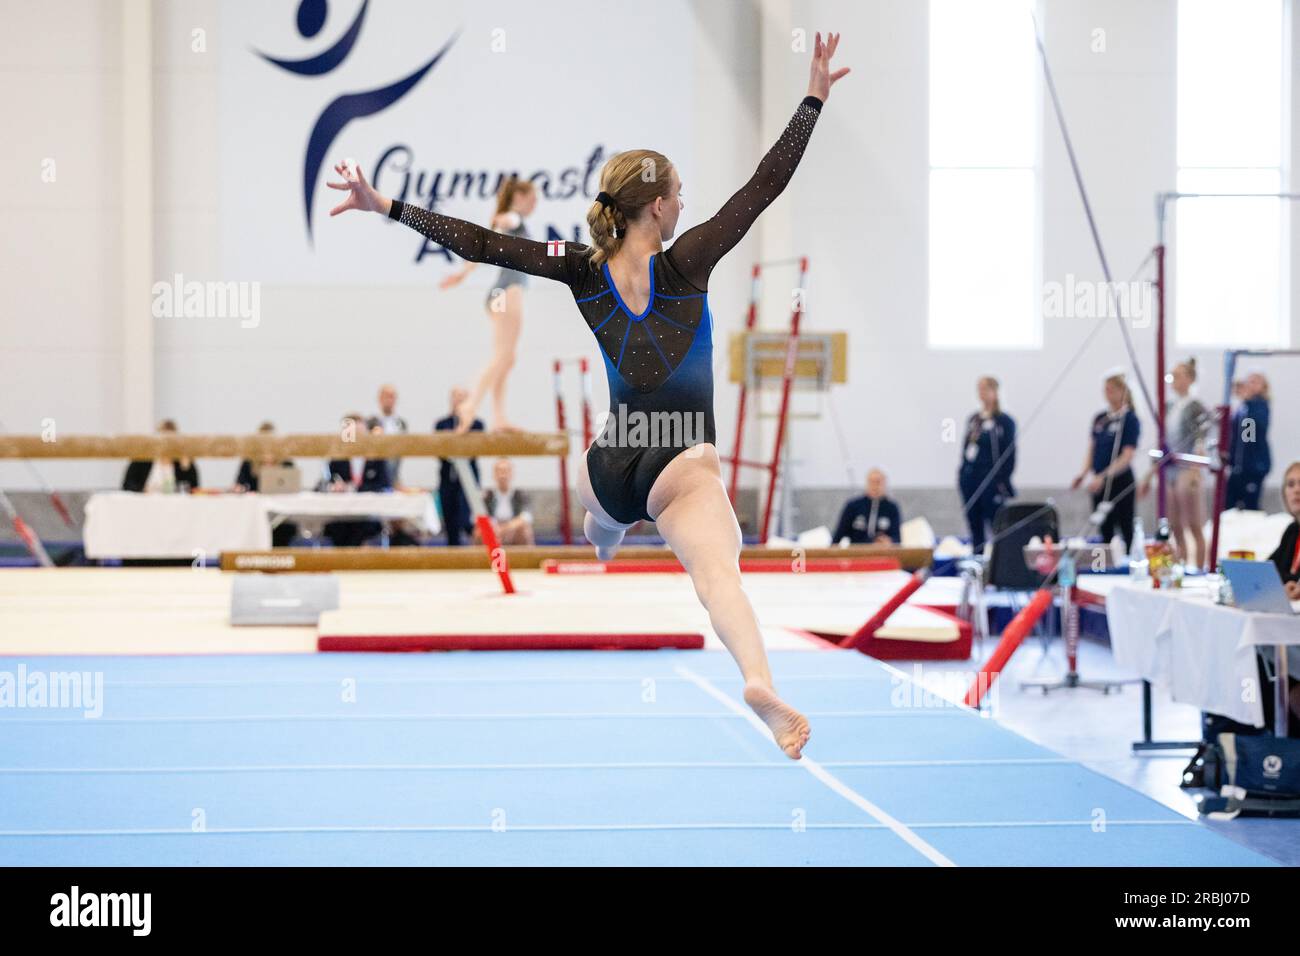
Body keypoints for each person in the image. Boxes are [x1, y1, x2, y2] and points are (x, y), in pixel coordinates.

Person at [328, 32, 850, 759]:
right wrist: (812, 99)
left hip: (613, 459)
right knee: (717, 567)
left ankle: (604, 537)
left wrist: (385, 203)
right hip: (682, 462)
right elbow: (764, 185)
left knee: (601, 528)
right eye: (679, 194)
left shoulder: (579, 267)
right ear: (661, 208)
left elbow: (483, 243)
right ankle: (757, 678)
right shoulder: (692, 259)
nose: (685, 203)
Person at [438, 177, 538, 433]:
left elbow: (483, 245)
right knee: (503, 356)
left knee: (507, 358)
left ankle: (499, 418)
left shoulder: (510, 221)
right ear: (518, 198)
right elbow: (508, 221)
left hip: (499, 295)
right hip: (508, 293)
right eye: (532, 199)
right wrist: (507, 220)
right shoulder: (514, 219)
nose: (536, 204)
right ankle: (470, 405)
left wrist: (462, 274)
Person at [1140, 358, 1211, 568]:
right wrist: (1149, 474)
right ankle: (1180, 565)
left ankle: (1198, 568)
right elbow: (1162, 443)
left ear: (1190, 379)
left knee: (1193, 523)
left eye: (1178, 376)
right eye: (1171, 376)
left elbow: (1201, 438)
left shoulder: (1195, 406)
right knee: (1174, 524)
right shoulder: (1169, 405)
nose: (1173, 380)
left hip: (1187, 467)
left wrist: (1195, 470)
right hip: (1168, 469)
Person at [1072, 370, 1140, 552]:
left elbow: (1127, 455)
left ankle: (1127, 565)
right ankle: (1102, 567)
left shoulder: (1130, 419)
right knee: (1104, 529)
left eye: (1111, 390)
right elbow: (1092, 448)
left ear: (1121, 391)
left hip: (1120, 481)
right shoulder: (1100, 419)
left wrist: (1104, 476)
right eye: (1105, 390)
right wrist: (1083, 473)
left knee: (1125, 525)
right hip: (1099, 483)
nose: (1107, 394)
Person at [957, 376, 1016, 553]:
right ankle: (978, 558)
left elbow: (1010, 454)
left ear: (995, 391)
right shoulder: (974, 420)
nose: (982, 393)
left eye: (986, 389)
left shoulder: (1004, 421)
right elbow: (966, 450)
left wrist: (1001, 481)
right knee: (975, 524)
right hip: (971, 479)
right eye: (979, 389)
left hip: (992, 481)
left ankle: (1002, 563)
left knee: (997, 525)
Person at [434, 386, 485, 546]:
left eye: (463, 398)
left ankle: (475, 545)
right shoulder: (442, 424)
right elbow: (438, 450)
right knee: (450, 520)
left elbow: (478, 449)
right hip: (448, 477)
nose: (459, 401)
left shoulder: (477, 424)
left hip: (468, 478)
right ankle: (453, 552)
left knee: (465, 517)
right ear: (451, 400)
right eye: (457, 397)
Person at [234, 420, 298, 546]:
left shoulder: (285, 462)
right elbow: (240, 483)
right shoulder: (249, 462)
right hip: (256, 511)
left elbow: (293, 483)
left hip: (280, 513)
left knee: (284, 529)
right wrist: (239, 488)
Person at [1226, 371, 1273, 511]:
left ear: (1263, 387)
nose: (1250, 385)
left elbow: (1249, 437)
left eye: (1255, 382)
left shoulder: (1260, 406)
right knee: (1228, 504)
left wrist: (1248, 402)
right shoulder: (1242, 408)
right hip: (1238, 467)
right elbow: (1236, 436)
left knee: (1250, 506)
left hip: (1253, 467)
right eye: (1249, 381)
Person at [121, 419, 200, 493]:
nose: (166, 445)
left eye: (170, 441)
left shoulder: (182, 461)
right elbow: (127, 484)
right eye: (163, 440)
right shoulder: (142, 458)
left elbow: (194, 489)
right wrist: (143, 490)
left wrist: (186, 469)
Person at [833, 469, 902, 545]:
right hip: (857, 552)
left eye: (878, 482)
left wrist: (889, 541)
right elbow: (838, 535)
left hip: (883, 553)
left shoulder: (892, 507)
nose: (875, 486)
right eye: (872, 482)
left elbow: (897, 538)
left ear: (884, 484)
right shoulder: (853, 506)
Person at [481, 458, 535, 546]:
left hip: (513, 529)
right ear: (494, 475)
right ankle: (478, 559)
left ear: (511, 474)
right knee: (479, 532)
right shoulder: (487, 496)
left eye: (505, 471)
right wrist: (495, 529)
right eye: (499, 471)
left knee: (524, 530)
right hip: (493, 529)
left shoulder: (520, 494)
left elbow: (526, 516)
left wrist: (507, 528)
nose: (503, 475)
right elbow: (480, 517)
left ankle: (526, 559)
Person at [374, 383, 408, 483]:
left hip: (394, 470)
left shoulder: (401, 424)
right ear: (380, 399)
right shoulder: (372, 422)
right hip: (376, 474)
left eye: (392, 397)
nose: (389, 400)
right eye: (386, 396)